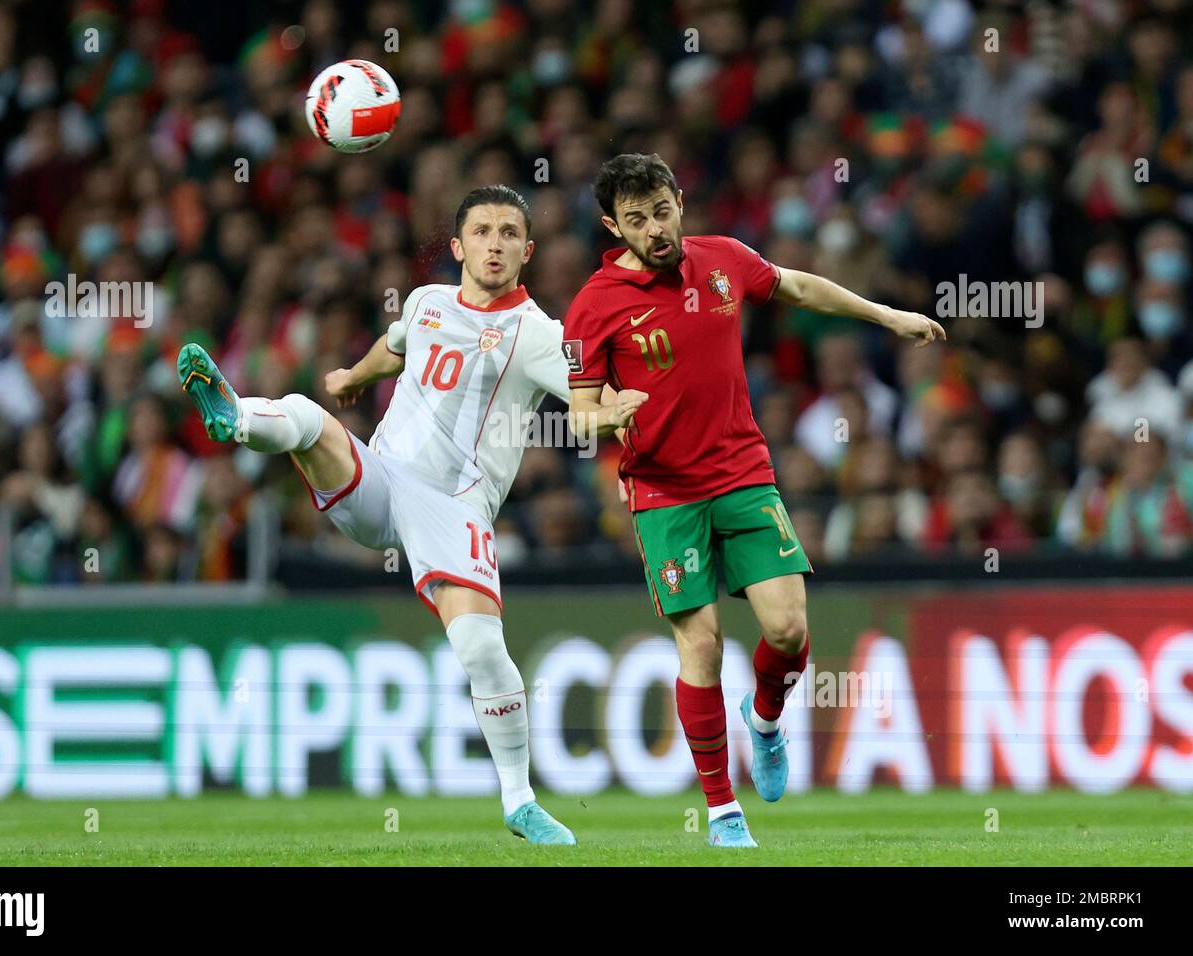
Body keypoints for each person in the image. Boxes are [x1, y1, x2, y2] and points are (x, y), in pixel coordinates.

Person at [177, 185, 589, 845]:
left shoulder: (538, 333)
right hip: (382, 477)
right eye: (481, 230)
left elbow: (587, 393)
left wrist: (621, 411)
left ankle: (519, 800)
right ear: (457, 246)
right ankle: (236, 415)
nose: (495, 243)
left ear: (527, 251)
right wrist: (353, 378)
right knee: (308, 414)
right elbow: (396, 346)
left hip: (454, 506)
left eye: (509, 233)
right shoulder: (427, 302)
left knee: (481, 648)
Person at [565, 153, 946, 847]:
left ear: (680, 201)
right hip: (662, 493)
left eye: (661, 211)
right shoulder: (593, 305)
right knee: (701, 644)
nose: (654, 229)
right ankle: (722, 812)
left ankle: (764, 720)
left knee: (788, 632)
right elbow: (577, 410)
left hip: (742, 474)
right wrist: (608, 415)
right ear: (611, 226)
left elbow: (797, 286)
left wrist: (887, 317)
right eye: (635, 220)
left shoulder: (722, 260)